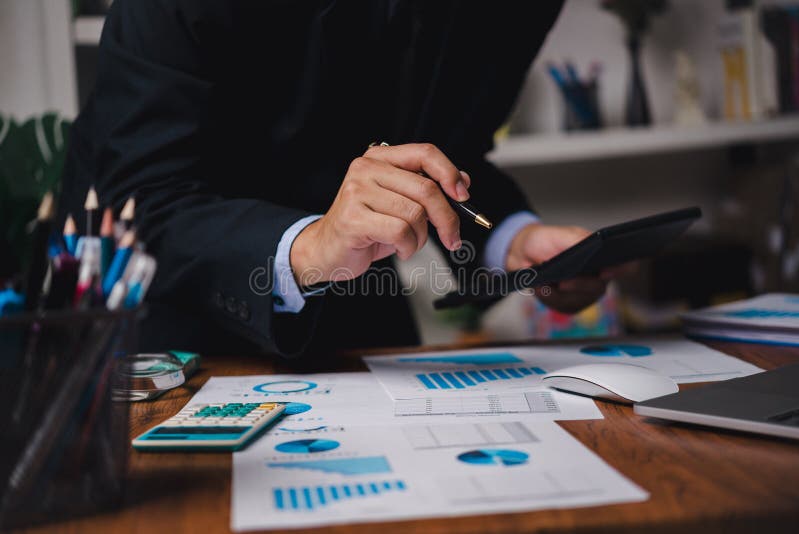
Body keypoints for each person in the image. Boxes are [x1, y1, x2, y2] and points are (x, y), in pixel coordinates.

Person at [59, 0, 611, 357]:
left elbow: (452, 145)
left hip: (362, 333)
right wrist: (312, 246)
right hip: (179, 336)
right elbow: (140, 195)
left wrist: (511, 239)